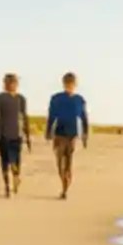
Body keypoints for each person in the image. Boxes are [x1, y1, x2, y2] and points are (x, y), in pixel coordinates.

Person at [0, 73, 31, 198]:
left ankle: (15, 178)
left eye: (14, 83)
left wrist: (27, 136)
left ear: (17, 84)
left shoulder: (21, 99)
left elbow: (25, 117)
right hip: (2, 135)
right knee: (5, 162)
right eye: (8, 83)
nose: (11, 85)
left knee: (16, 162)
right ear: (5, 84)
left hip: (17, 135)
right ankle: (7, 186)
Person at [45, 72, 89, 200]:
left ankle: (65, 186)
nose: (69, 86)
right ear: (63, 84)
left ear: (75, 85)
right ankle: (64, 182)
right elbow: (51, 116)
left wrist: (85, 135)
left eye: (71, 84)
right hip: (59, 134)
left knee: (68, 162)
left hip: (72, 135)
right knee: (60, 162)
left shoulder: (79, 100)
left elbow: (84, 118)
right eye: (67, 84)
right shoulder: (56, 98)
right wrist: (48, 131)